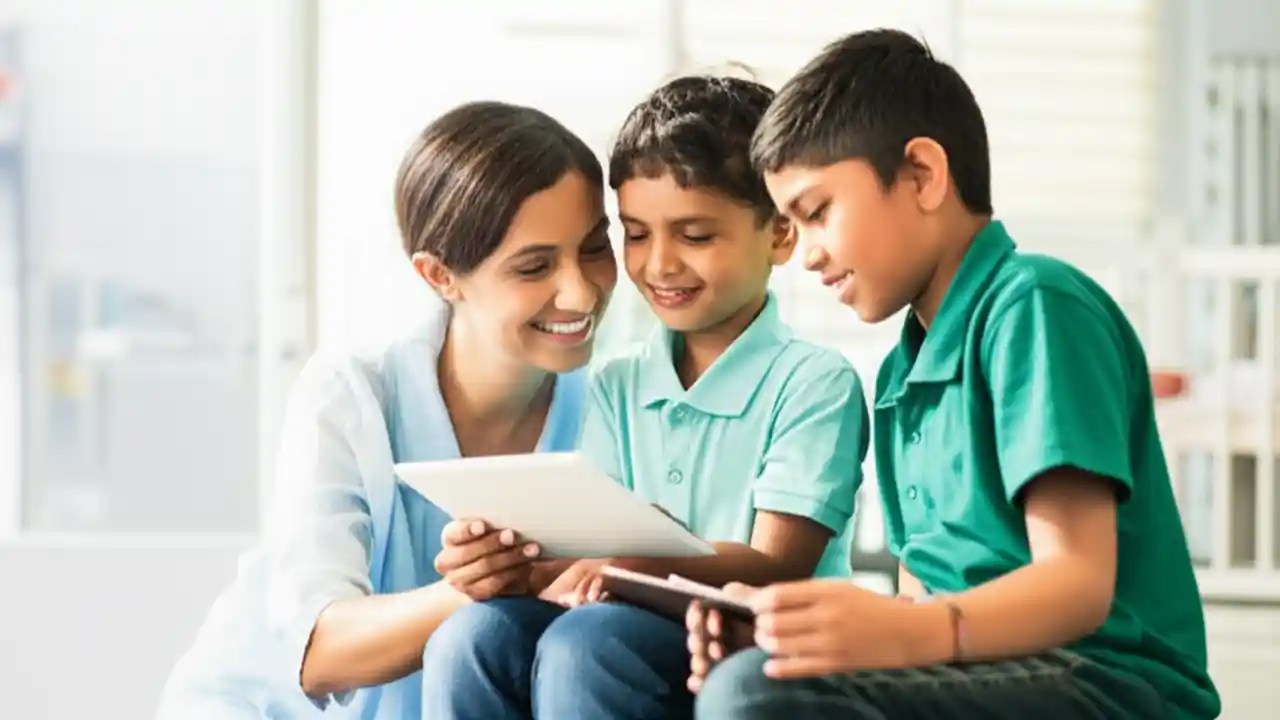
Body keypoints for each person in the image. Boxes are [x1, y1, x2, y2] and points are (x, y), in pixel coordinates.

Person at [687, 29, 1221, 720]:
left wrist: (898, 631)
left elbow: (1077, 583)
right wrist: (808, 633)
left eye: (817, 213)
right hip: (987, 672)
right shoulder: (900, 376)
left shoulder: (1035, 305)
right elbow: (922, 600)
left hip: (1111, 682)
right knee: (751, 670)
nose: (809, 255)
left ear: (921, 176)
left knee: (755, 691)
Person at [420, 75, 868, 720]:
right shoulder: (617, 381)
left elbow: (778, 563)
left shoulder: (813, 382)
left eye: (694, 235)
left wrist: (634, 559)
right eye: (635, 234)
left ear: (777, 235)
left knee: (588, 642)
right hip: (625, 628)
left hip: (751, 646)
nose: (659, 265)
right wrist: (512, 564)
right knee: (473, 635)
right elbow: (585, 550)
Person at [157, 101, 618, 719]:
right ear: (438, 276)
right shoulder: (351, 397)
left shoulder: (611, 408)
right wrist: (471, 591)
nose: (581, 290)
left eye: (593, 248)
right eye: (534, 266)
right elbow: (320, 653)